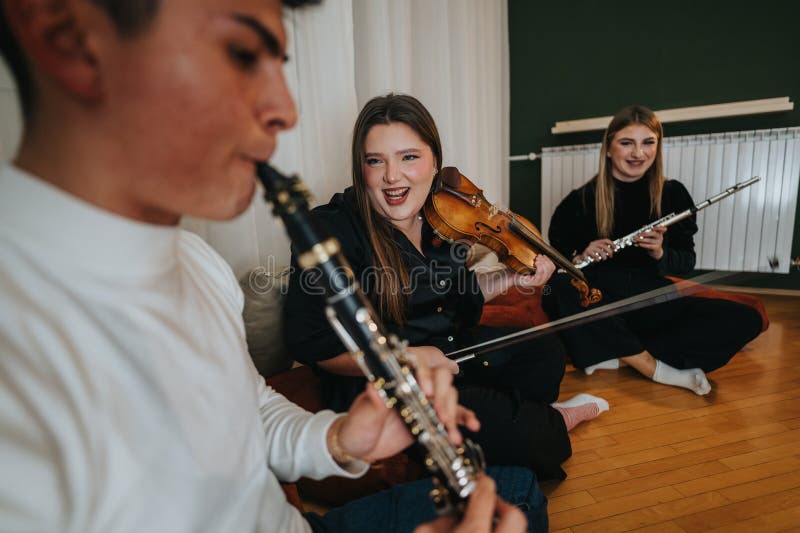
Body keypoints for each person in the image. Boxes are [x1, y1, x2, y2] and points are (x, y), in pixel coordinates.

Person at [0, 0, 540, 531]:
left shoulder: (192, 259)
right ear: (66, 38)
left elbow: (250, 409)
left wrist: (336, 440)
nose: (285, 109)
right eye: (239, 53)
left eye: (277, 66)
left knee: (518, 493)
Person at [285, 93, 609, 483]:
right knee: (533, 438)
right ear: (361, 167)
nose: (392, 176)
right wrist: (407, 358)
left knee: (545, 353)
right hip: (385, 384)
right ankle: (550, 420)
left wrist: (511, 277)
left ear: (434, 161)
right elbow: (313, 346)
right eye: (376, 161)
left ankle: (505, 418)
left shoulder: (444, 215)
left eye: (408, 157)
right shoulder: (329, 231)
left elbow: (458, 295)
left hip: (452, 350)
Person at [544, 105, 764, 395]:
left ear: (657, 148)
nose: (638, 153)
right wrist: (581, 256)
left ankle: (616, 354)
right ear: (608, 148)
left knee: (747, 318)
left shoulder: (673, 193)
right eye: (626, 143)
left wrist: (660, 252)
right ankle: (655, 368)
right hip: (600, 298)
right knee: (558, 287)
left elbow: (685, 263)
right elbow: (554, 263)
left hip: (650, 297)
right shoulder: (579, 201)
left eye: (648, 143)